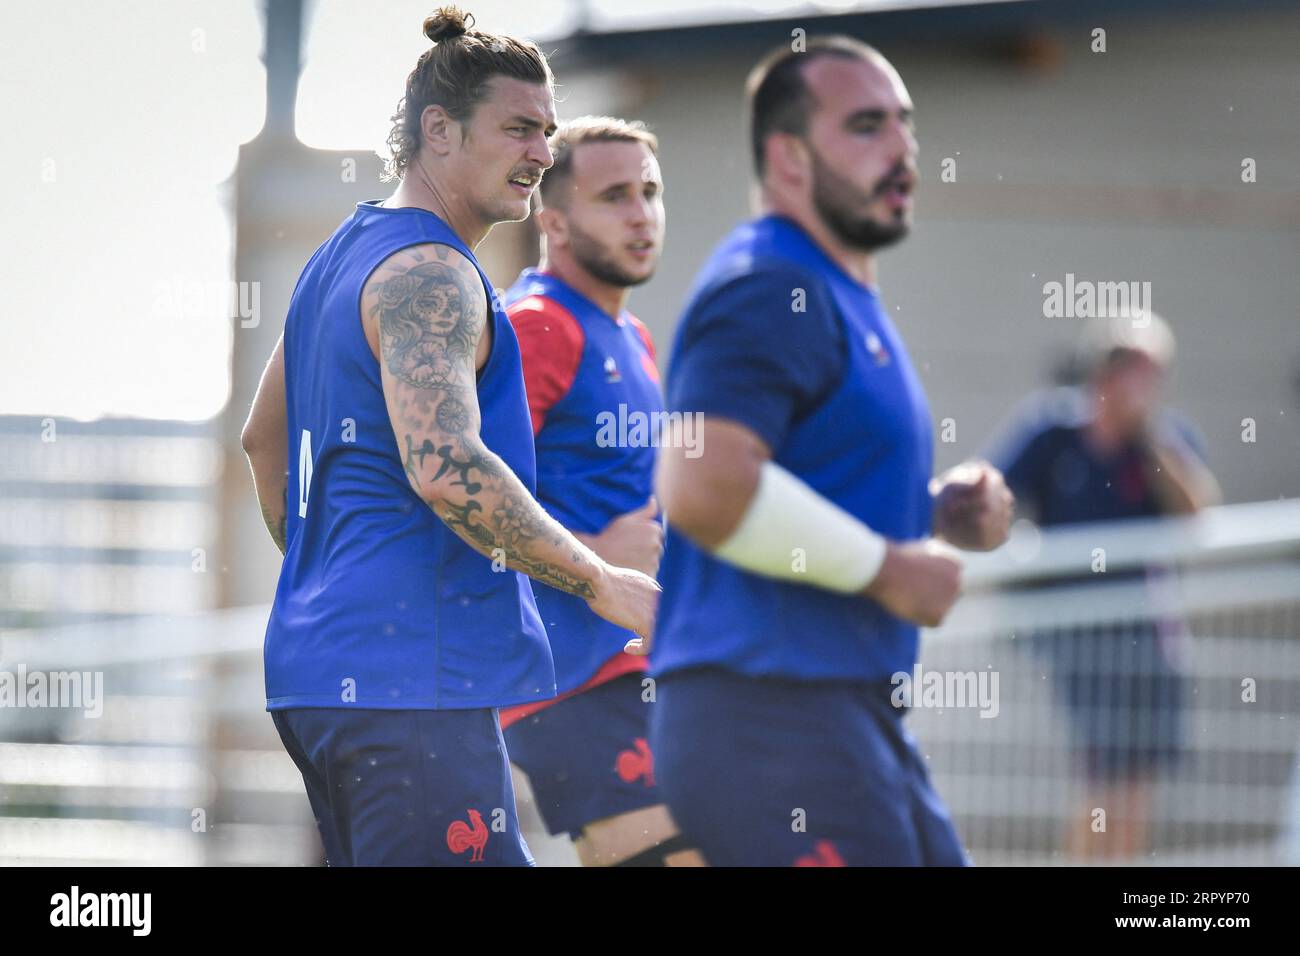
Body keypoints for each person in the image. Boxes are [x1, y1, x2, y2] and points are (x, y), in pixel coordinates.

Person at [239, 7, 658, 867]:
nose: (542, 153)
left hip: (326, 673)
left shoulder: (337, 258)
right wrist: (601, 581)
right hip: (410, 683)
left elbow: (260, 440)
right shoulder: (434, 272)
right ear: (439, 129)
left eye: (546, 131)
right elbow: (446, 465)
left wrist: (333, 569)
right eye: (517, 128)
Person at [648, 35, 1013, 866]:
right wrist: (891, 567)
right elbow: (704, 486)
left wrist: (933, 511)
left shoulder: (837, 290)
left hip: (842, 716)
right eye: (866, 127)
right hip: (769, 722)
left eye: (905, 127)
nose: (903, 152)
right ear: (788, 156)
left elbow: (799, 486)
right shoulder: (772, 284)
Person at [497, 116, 694, 866]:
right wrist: (590, 559)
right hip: (564, 679)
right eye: (614, 195)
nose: (641, 213)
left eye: (650, 191)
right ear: (553, 221)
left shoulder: (632, 337)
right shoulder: (539, 325)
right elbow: (449, 491)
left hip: (633, 667)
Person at [986, 309, 1220, 859]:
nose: (1138, 386)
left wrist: (1153, 440)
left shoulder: (1166, 442)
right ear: (1100, 373)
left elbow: (1197, 513)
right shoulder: (1052, 431)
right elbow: (995, 496)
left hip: (1149, 627)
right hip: (1078, 630)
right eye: (1126, 370)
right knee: (1100, 772)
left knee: (1137, 776)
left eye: (1149, 373)